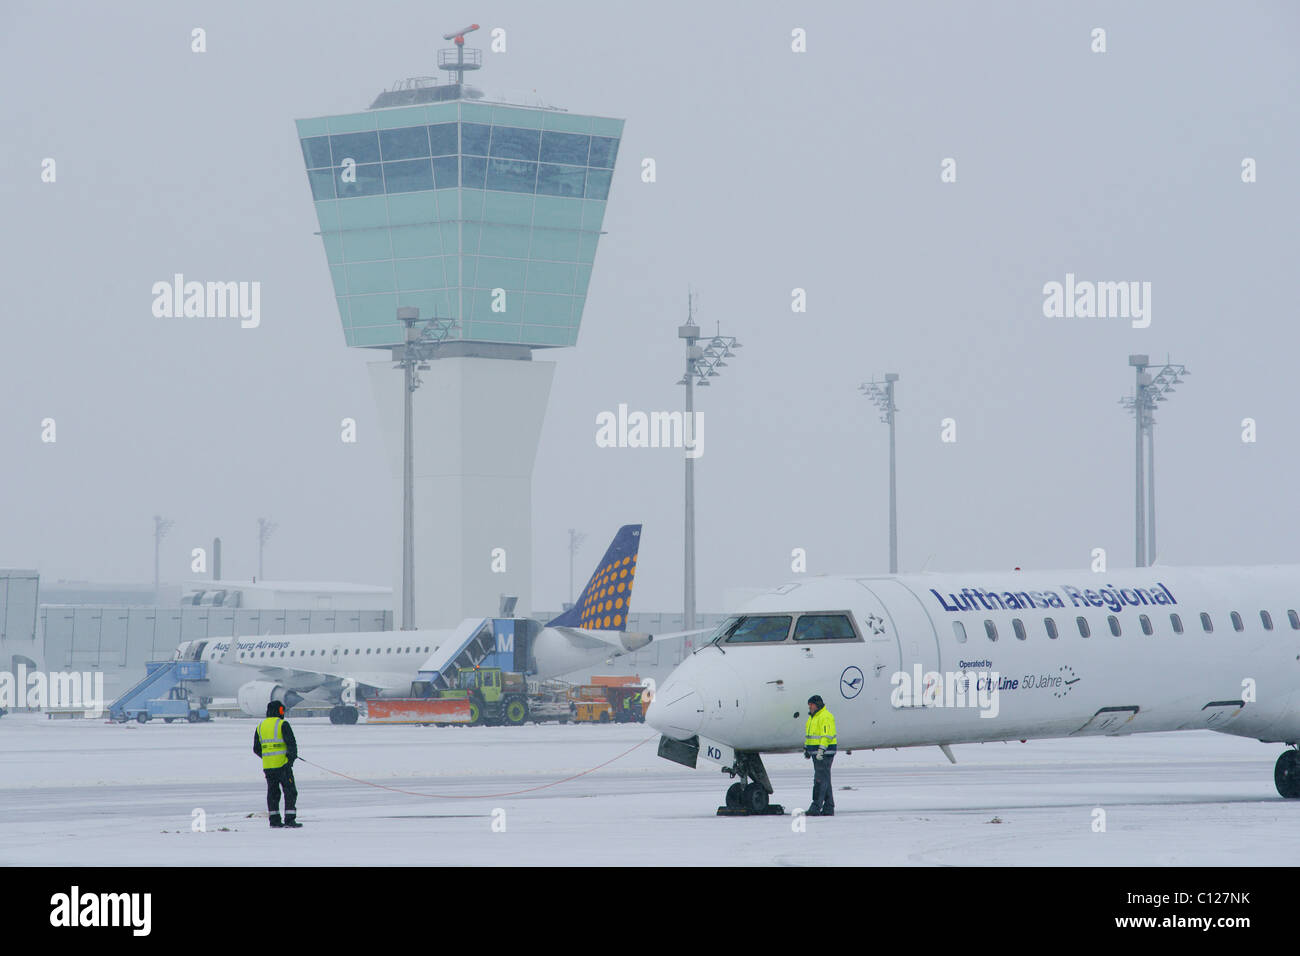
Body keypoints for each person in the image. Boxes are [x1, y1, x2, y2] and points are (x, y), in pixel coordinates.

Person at [253, 699, 301, 828]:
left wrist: (268, 757)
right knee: (290, 791)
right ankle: (290, 820)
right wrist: (290, 760)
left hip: (268, 767)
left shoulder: (260, 726)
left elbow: (256, 749)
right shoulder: (282, 724)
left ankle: (274, 820)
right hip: (283, 765)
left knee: (273, 793)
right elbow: (291, 744)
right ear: (280, 711)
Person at [803, 694, 837, 816]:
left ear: (817, 705)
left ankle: (816, 806)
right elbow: (810, 735)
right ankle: (829, 806)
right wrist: (807, 748)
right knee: (825, 778)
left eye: (811, 705)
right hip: (815, 753)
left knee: (820, 780)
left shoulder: (825, 717)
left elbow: (826, 736)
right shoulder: (813, 718)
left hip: (824, 753)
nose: (810, 707)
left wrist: (821, 750)